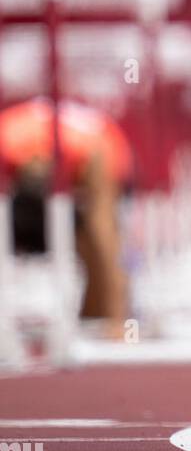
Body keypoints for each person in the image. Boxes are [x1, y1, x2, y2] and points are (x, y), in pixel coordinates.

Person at [0, 96, 133, 337]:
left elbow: (103, 232)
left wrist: (117, 318)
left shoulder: (99, 146)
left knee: (97, 232)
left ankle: (100, 314)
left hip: (83, 178)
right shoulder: (12, 135)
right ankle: (106, 314)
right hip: (23, 195)